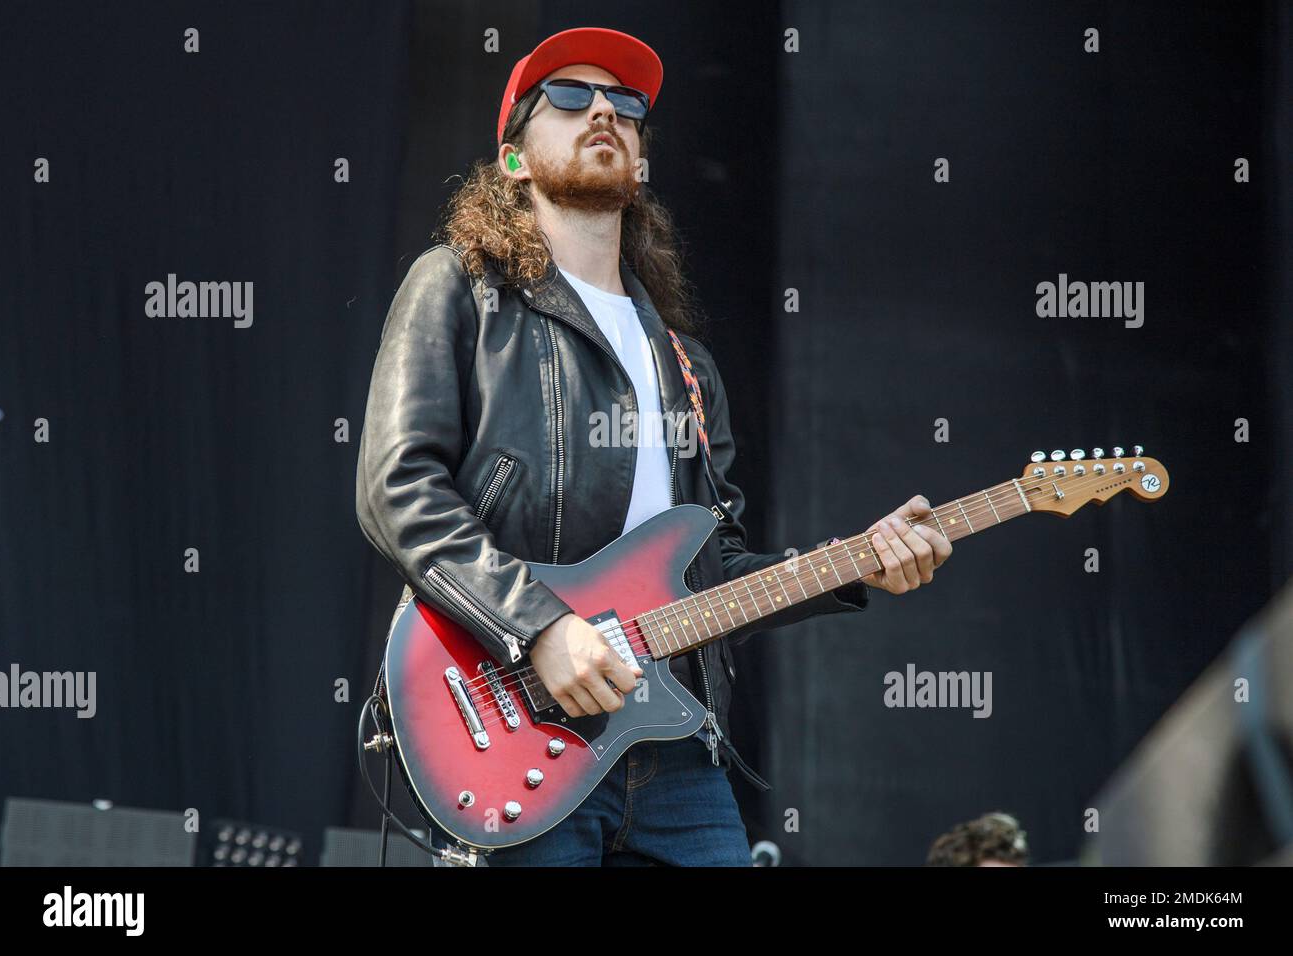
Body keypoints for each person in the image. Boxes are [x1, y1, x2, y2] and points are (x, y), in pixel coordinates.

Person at [355, 26, 952, 866]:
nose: (604, 110)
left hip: (672, 747)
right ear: (515, 159)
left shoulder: (686, 364)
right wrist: (540, 630)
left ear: (639, 161)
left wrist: (855, 563)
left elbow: (714, 570)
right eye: (568, 96)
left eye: (626, 105)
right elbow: (397, 488)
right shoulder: (459, 290)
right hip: (519, 725)